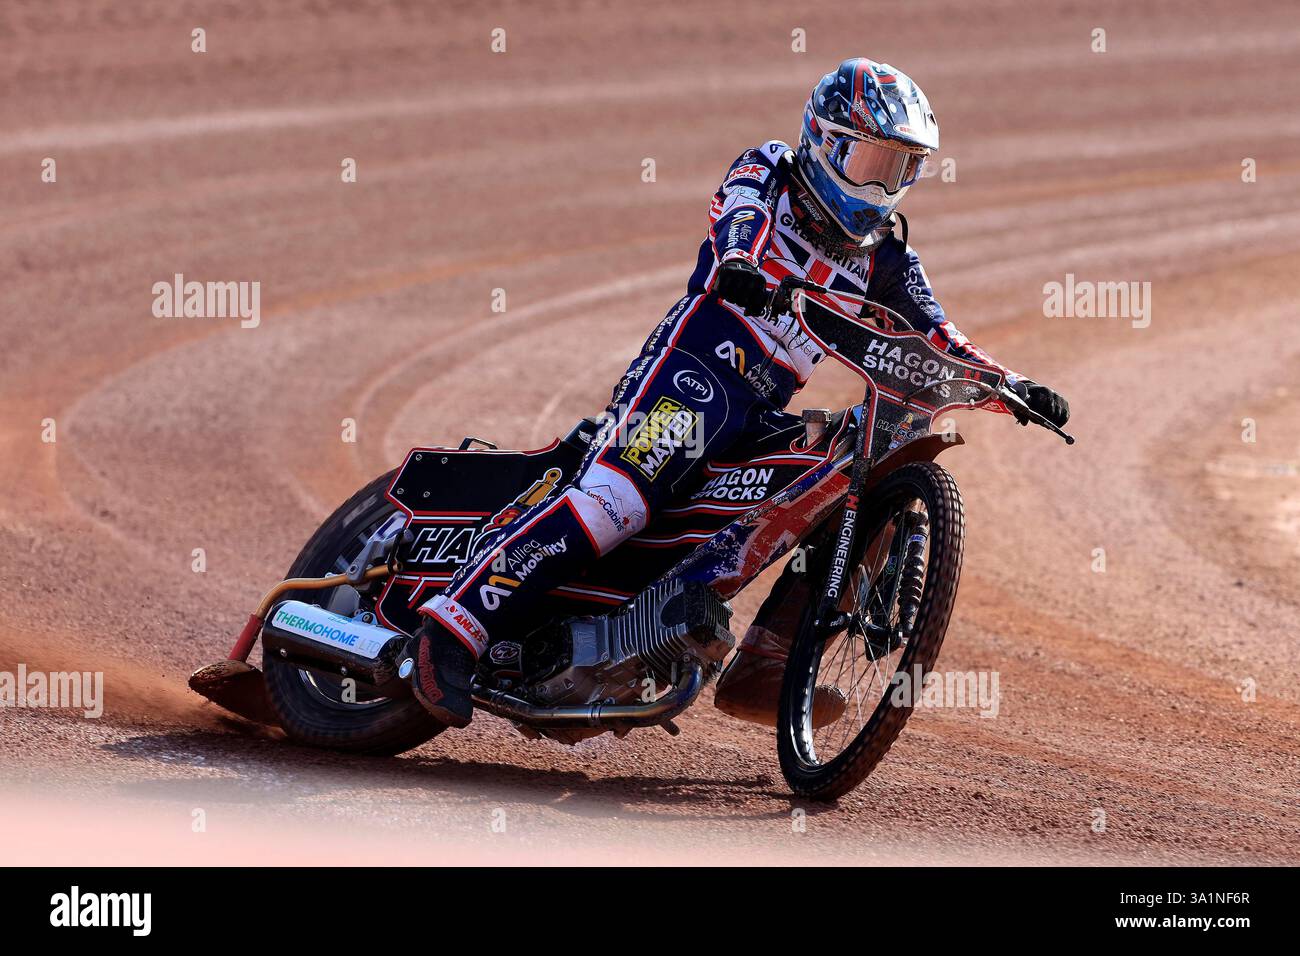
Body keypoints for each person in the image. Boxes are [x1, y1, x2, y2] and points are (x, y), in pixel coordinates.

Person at [406, 58, 1070, 729]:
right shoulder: (771, 171)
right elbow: (739, 221)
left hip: (760, 407)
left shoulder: (887, 258)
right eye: (869, 160)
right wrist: (741, 267)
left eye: (899, 169)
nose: (880, 184)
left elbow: (938, 337)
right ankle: (452, 629)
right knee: (617, 501)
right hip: (695, 367)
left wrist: (1010, 386)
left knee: (837, 481)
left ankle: (770, 664)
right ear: (825, 139)